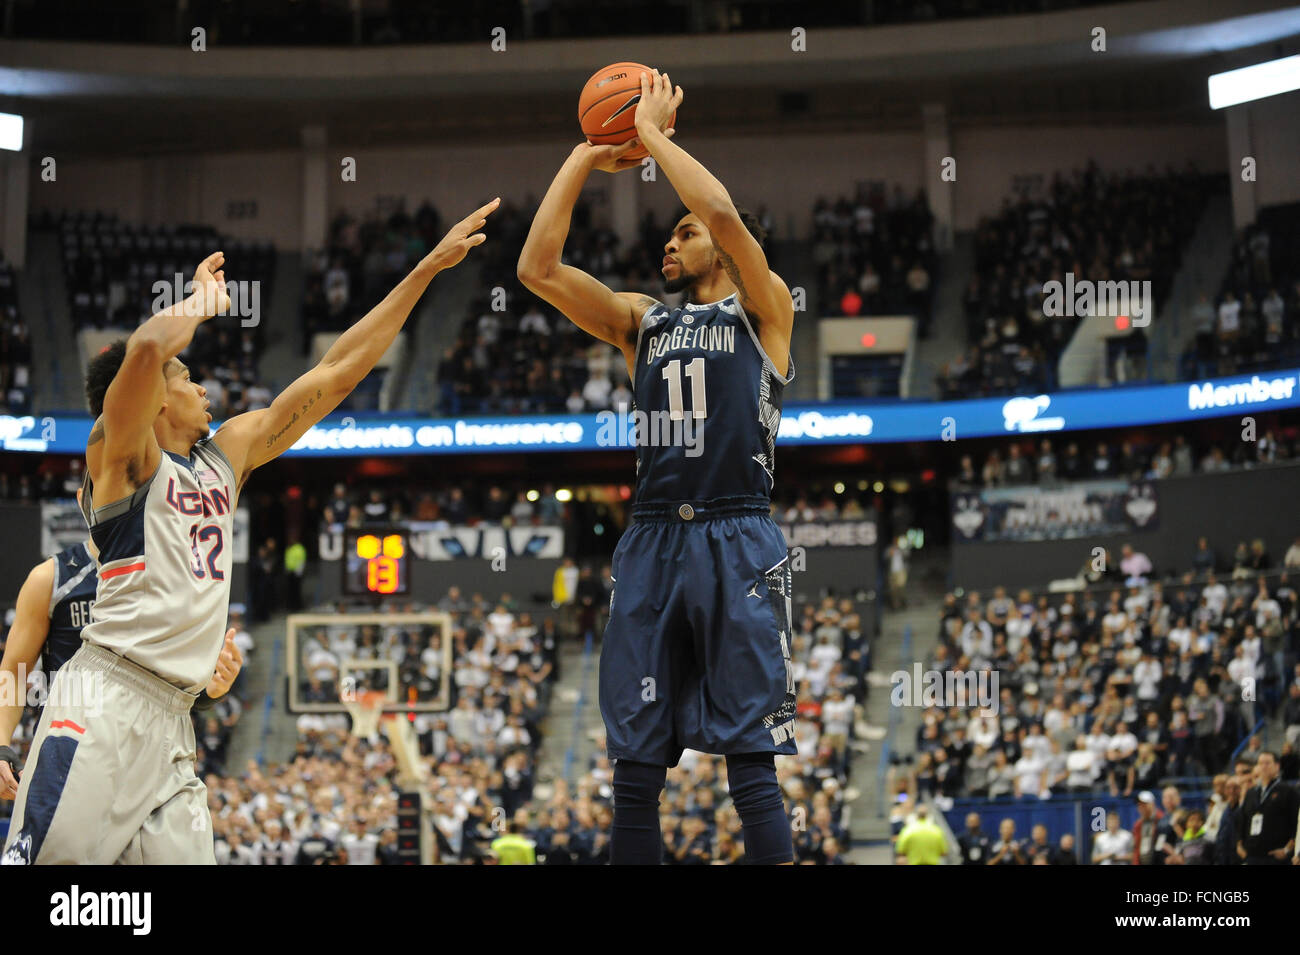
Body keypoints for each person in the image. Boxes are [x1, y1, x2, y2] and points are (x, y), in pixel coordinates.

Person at [4, 203, 496, 866]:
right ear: (153, 399)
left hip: (174, 721)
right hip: (104, 703)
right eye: (188, 377)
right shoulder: (119, 460)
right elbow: (145, 350)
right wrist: (199, 303)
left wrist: (425, 271)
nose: (205, 388)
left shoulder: (225, 457)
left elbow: (338, 371)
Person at [519, 70, 797, 865]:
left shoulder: (764, 307)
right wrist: (586, 154)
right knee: (634, 765)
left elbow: (721, 213)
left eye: (683, 233)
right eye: (668, 236)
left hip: (739, 533)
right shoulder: (642, 320)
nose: (669, 243)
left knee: (752, 758)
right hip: (650, 538)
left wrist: (652, 137)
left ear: (723, 249)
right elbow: (537, 268)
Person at [1, 514, 242, 803]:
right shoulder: (52, 578)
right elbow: (13, 672)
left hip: (149, 764)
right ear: (83, 498)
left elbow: (181, 686)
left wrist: (213, 688)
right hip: (70, 758)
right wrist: (1, 746)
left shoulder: (173, 577)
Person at [1235, 751, 1299, 864]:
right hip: (1252, 856)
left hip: (1276, 857)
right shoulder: (1251, 793)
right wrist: (1239, 845)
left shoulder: (1288, 791)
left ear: (1277, 766)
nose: (1263, 767)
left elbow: (1296, 824)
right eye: (1260, 763)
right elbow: (1243, 821)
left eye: (1267, 763)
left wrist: (1287, 850)